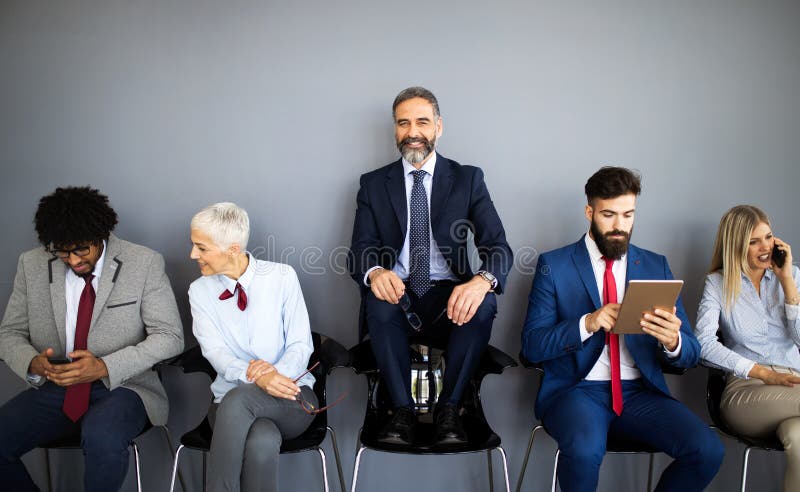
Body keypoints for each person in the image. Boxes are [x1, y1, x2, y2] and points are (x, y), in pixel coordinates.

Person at [521, 167, 723, 491]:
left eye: (628, 215)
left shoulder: (656, 265)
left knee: (708, 450)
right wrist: (587, 323)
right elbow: (532, 345)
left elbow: (692, 353)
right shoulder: (554, 265)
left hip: (640, 394)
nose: (619, 226)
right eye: (609, 215)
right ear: (589, 212)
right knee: (585, 451)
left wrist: (673, 342)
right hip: (577, 392)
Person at [348, 86, 512, 446]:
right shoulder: (374, 184)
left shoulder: (468, 179)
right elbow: (359, 251)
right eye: (403, 123)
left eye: (422, 121)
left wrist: (481, 280)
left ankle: (450, 410)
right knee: (377, 299)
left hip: (448, 296)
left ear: (439, 126)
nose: (413, 131)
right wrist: (376, 273)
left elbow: (498, 247)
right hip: (399, 293)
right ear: (395, 130)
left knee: (484, 301)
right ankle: (401, 412)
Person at [0, 186, 184, 492]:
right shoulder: (30, 264)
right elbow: (9, 334)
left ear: (101, 235)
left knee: (102, 435)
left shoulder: (143, 263)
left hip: (125, 386)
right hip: (58, 387)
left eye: (81, 250)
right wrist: (33, 362)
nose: (72, 260)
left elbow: (170, 336)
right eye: (61, 251)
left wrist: (104, 367)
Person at [188, 202, 316, 492]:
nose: (193, 255)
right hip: (227, 401)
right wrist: (257, 376)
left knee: (239, 400)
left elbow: (300, 344)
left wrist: (275, 377)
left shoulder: (282, 277)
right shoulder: (199, 291)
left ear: (232, 249)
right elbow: (216, 354)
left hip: (293, 397)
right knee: (262, 439)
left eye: (201, 247)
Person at [695, 204, 800, 492]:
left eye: (768, 237)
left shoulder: (791, 277)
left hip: (793, 386)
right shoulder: (717, 284)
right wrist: (764, 374)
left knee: (799, 437)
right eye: (754, 241)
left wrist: (788, 282)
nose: (765, 247)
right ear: (736, 245)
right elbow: (702, 345)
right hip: (747, 391)